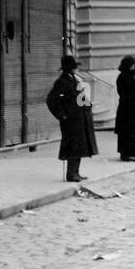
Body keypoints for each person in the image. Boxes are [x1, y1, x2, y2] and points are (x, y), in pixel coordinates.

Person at [46, 55, 98, 183]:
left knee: (79, 147)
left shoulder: (74, 79)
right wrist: (62, 115)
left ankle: (76, 172)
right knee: (73, 147)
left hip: (79, 119)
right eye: (74, 66)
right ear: (70, 68)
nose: (77, 69)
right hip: (70, 120)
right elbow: (51, 100)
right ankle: (71, 174)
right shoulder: (62, 81)